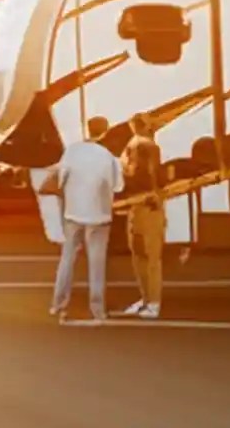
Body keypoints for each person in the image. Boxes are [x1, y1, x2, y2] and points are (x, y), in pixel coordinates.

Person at [46, 115, 123, 321]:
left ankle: (58, 303)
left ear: (87, 129)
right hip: (99, 216)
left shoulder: (72, 151)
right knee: (97, 264)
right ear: (106, 131)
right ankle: (97, 308)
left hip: (73, 213)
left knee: (67, 259)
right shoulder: (108, 156)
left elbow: (60, 179)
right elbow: (118, 186)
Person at [120, 112, 166, 319]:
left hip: (143, 203)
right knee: (142, 254)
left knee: (146, 255)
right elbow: (153, 173)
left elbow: (150, 173)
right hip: (140, 204)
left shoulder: (142, 145)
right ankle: (147, 299)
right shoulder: (143, 144)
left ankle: (152, 301)